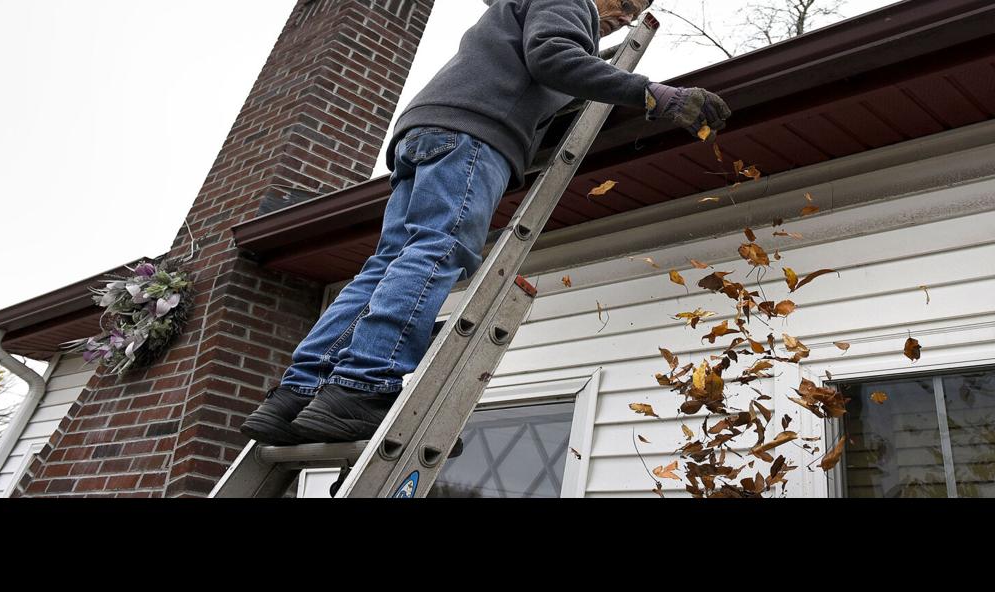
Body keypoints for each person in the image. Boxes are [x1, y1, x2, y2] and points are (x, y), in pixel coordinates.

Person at [243, 0, 730, 445]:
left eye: (635, 12)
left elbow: (549, 64)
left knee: (387, 262)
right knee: (439, 247)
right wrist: (653, 94)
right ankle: (365, 383)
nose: (627, 16)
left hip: (426, 133)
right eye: (626, 3)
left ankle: (298, 393)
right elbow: (555, 58)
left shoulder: (523, 13)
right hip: (472, 137)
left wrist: (592, 74)